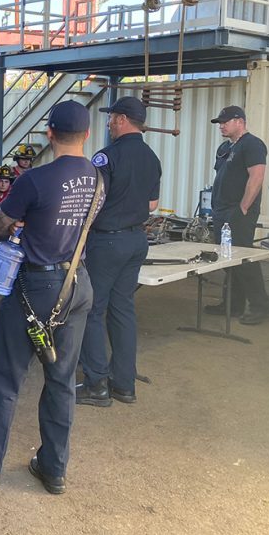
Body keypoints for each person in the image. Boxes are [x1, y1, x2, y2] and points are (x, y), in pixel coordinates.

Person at [0, 100, 100, 495]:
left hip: (36, 286)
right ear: (87, 135)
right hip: (77, 284)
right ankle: (53, 468)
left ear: (49, 134)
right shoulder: (98, 178)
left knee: (4, 377)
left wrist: (17, 217)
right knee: (61, 379)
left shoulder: (35, 179)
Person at [76, 96, 161, 408]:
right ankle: (124, 384)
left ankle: (96, 383)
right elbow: (152, 204)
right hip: (137, 240)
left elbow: (93, 202)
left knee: (92, 308)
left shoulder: (106, 157)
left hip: (107, 241)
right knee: (123, 308)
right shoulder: (152, 158)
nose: (109, 123)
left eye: (112, 117)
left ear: (123, 119)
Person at [204, 105, 269, 325]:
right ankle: (232, 305)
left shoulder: (252, 144)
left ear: (240, 121)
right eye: (219, 123)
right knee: (228, 259)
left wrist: (243, 208)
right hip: (222, 211)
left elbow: (256, 176)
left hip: (238, 212)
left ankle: (261, 307)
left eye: (225, 122)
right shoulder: (225, 148)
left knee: (243, 259)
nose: (221, 126)